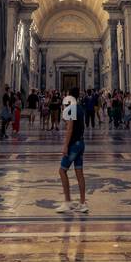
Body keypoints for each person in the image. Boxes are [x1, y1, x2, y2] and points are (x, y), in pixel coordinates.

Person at [56, 86, 88, 214]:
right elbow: (75, 124)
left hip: (73, 145)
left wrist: (65, 145)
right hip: (81, 143)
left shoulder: (71, 108)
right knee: (79, 173)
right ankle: (82, 203)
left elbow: (69, 129)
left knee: (62, 171)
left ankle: (67, 202)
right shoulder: (79, 108)